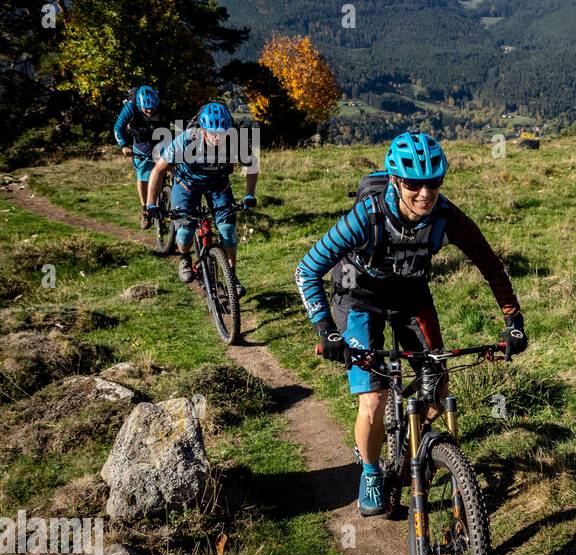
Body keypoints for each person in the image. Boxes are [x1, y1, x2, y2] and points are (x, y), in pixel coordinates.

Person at [294, 132, 526, 516]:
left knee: (438, 386)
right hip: (358, 298)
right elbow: (307, 269)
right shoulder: (366, 217)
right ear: (395, 179)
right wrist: (326, 329)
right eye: (412, 184)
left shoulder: (446, 216)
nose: (424, 193)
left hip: (410, 296)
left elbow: (490, 265)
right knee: (373, 399)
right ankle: (369, 469)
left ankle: (416, 450)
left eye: (433, 182)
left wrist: (512, 318)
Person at [144, 101, 257, 293]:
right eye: (212, 132)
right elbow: (158, 170)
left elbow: (252, 166)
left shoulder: (234, 139)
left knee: (228, 231)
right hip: (187, 184)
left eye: (222, 132)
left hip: (218, 184)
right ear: (202, 129)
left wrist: (249, 194)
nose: (217, 137)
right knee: (185, 232)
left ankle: (231, 275)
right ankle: (185, 258)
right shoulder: (187, 139)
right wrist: (150, 204)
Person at [114, 85, 163, 227]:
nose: (150, 111)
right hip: (141, 142)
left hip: (160, 140)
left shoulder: (160, 106)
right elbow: (118, 128)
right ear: (139, 104)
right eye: (146, 108)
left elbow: (179, 123)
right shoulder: (130, 108)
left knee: (173, 169)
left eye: (153, 108)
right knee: (143, 176)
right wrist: (123, 145)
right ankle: (145, 210)